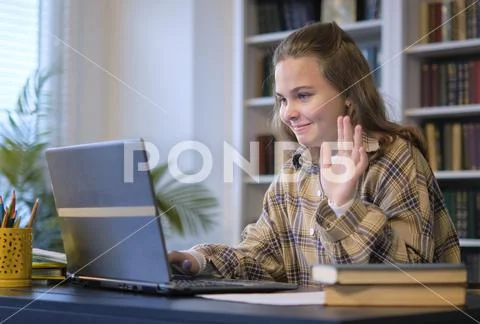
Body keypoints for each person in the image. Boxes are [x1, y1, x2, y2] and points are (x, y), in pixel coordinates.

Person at [168, 21, 460, 285]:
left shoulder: (395, 159)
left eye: (303, 96)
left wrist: (343, 206)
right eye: (283, 99)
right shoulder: (296, 168)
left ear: (349, 95)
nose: (288, 113)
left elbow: (409, 278)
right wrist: (196, 260)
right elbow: (261, 256)